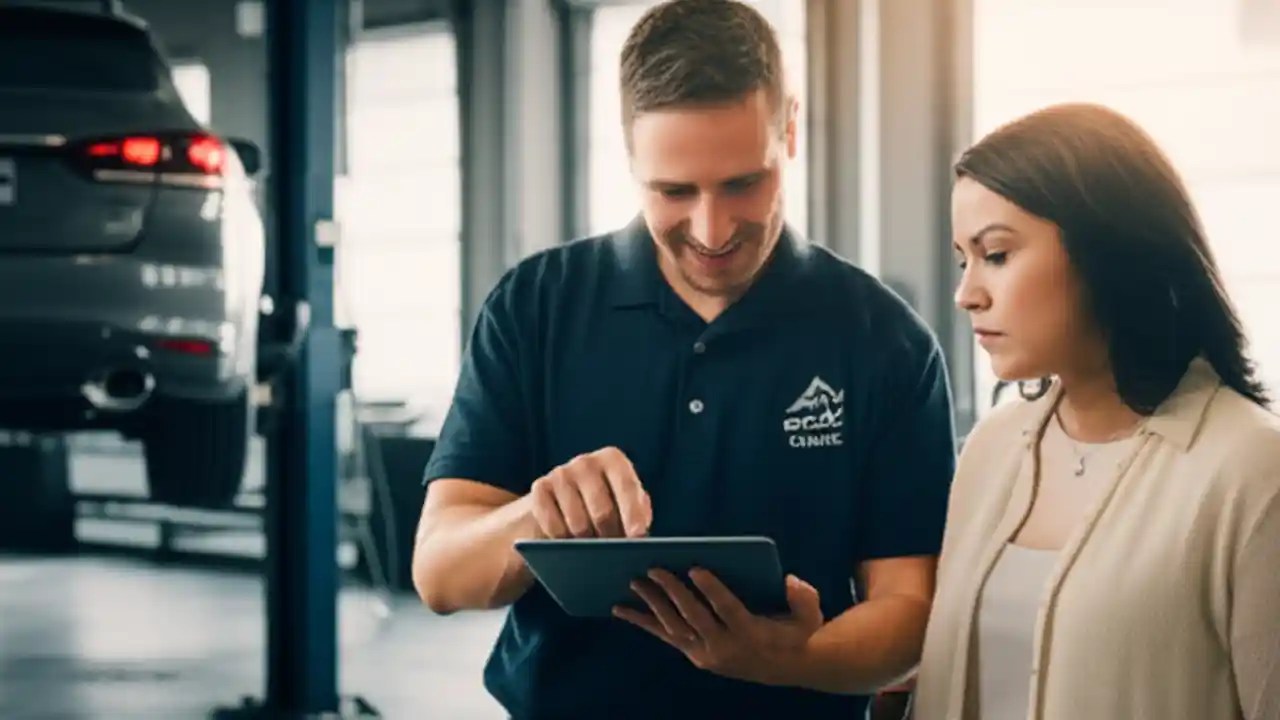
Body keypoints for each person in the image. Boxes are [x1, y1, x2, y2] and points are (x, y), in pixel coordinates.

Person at [410, 1, 958, 717]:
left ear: (789, 129)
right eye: (673, 191)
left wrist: (794, 659)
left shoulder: (885, 341)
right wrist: (536, 518)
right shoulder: (535, 306)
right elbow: (440, 575)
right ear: (631, 154)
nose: (712, 229)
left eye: (743, 183)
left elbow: (912, 609)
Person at [912, 102, 1280, 720]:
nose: (966, 293)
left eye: (996, 255)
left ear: (1106, 251)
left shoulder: (1250, 468)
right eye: (962, 259)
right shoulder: (991, 448)